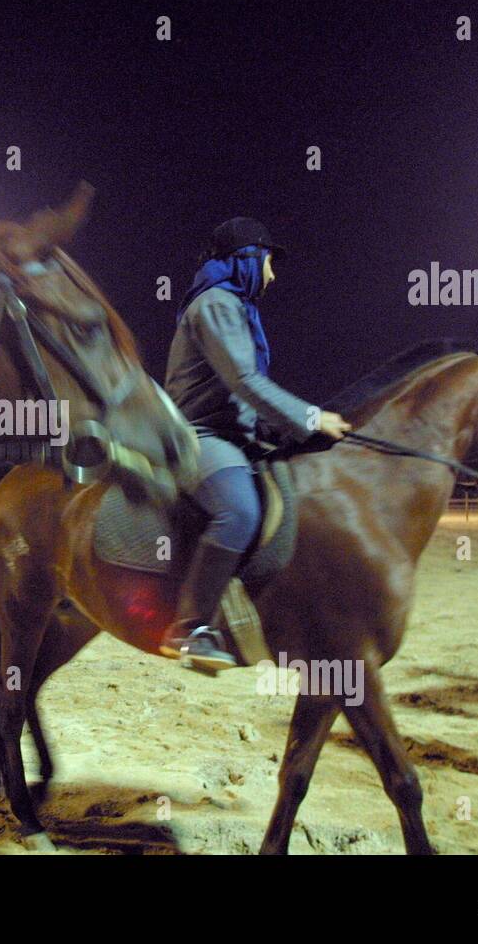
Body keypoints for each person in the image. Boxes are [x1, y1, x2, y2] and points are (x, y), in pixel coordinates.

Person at [160, 217, 350, 672]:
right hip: (201, 435)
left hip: (235, 434)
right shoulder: (216, 305)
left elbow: (244, 392)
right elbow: (244, 381)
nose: (271, 275)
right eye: (267, 263)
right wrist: (310, 416)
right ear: (245, 260)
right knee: (240, 511)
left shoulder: (235, 307)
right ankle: (188, 629)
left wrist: (276, 430)